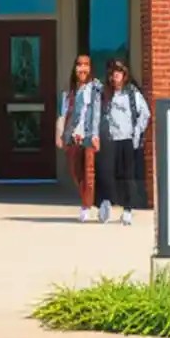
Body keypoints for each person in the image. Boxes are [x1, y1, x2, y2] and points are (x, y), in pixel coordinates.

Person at [92, 58, 149, 225]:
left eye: (119, 73)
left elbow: (144, 114)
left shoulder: (132, 94)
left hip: (127, 140)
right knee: (105, 174)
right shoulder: (103, 94)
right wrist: (95, 135)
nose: (115, 76)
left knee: (127, 176)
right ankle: (105, 204)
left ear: (124, 75)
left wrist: (136, 134)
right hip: (108, 139)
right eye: (112, 73)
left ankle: (127, 209)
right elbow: (96, 116)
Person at [58, 54, 103, 222]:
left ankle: (86, 206)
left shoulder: (95, 88)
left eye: (86, 65)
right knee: (76, 172)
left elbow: (96, 113)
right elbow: (62, 114)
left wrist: (95, 135)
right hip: (72, 136)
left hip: (88, 135)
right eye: (79, 65)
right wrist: (60, 134)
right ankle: (94, 200)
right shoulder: (69, 91)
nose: (82, 68)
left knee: (88, 172)